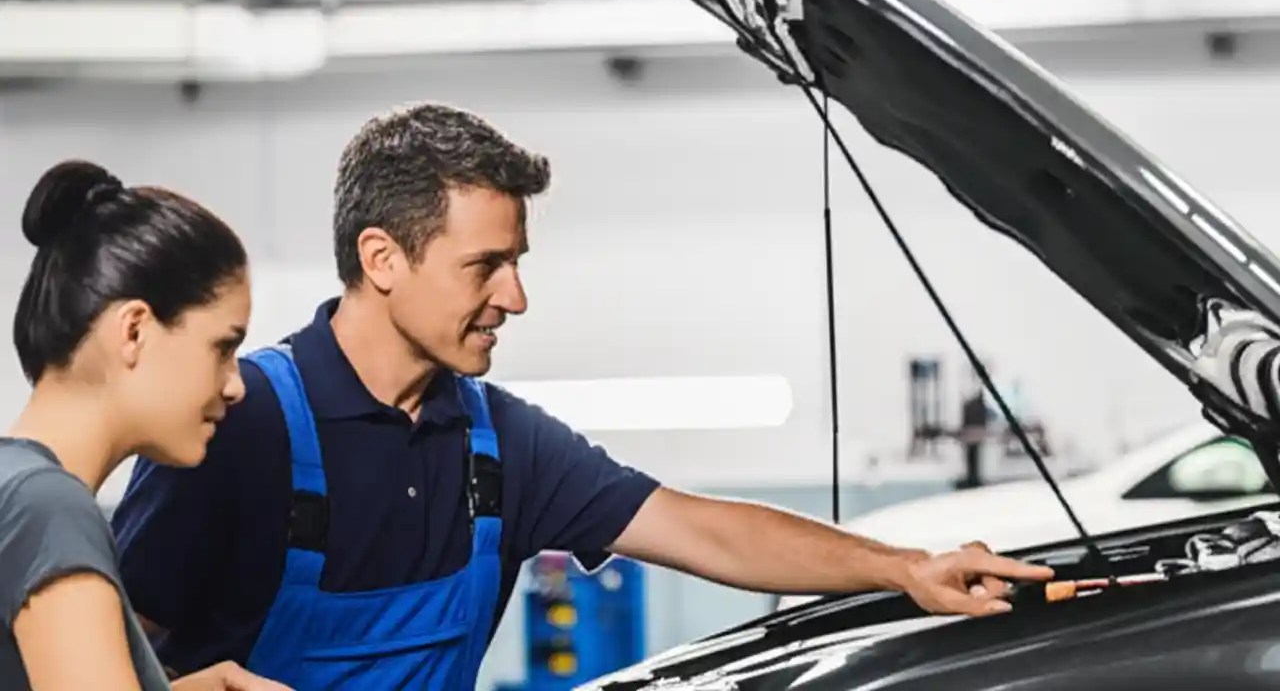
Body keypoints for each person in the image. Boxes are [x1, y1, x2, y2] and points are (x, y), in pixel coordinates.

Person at [110, 103, 1054, 689]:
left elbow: (704, 530)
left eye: (517, 264)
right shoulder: (239, 428)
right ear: (382, 258)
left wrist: (906, 568)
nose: (515, 297)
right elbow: (92, 660)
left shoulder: (497, 444)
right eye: (486, 265)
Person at [0, 161, 290, 689]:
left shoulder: (13, 484)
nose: (235, 384)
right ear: (134, 330)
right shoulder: (50, 511)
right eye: (222, 347)